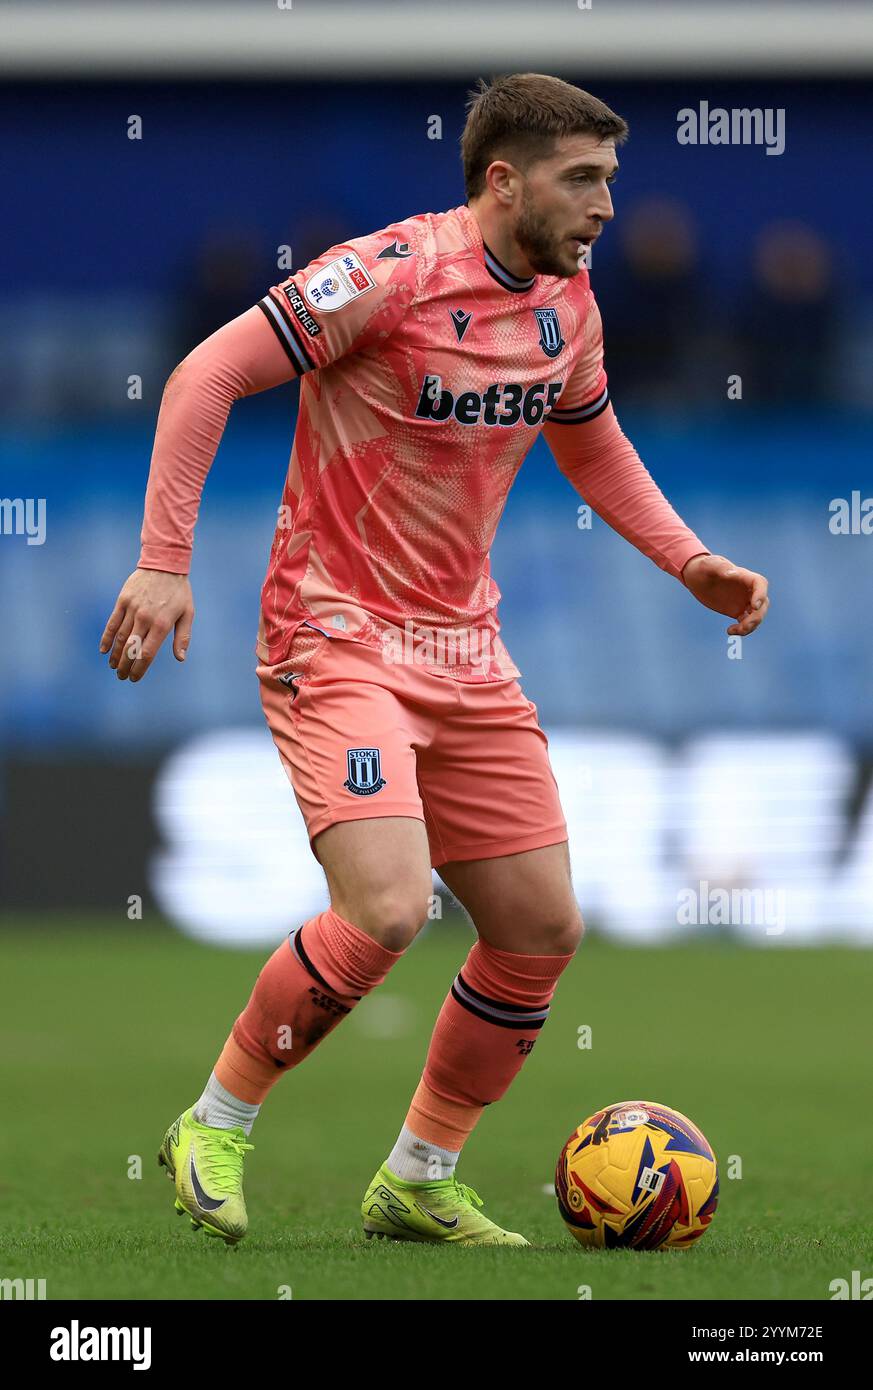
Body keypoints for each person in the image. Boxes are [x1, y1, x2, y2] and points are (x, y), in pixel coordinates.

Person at [100, 73, 769, 1247]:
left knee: (538, 926)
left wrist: (687, 560)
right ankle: (215, 1118)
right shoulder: (386, 275)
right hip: (336, 629)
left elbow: (592, 436)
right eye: (584, 179)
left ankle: (417, 1175)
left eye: (612, 179)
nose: (608, 205)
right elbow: (207, 373)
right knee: (392, 905)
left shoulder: (571, 301)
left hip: (467, 648)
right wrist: (164, 561)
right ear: (503, 181)